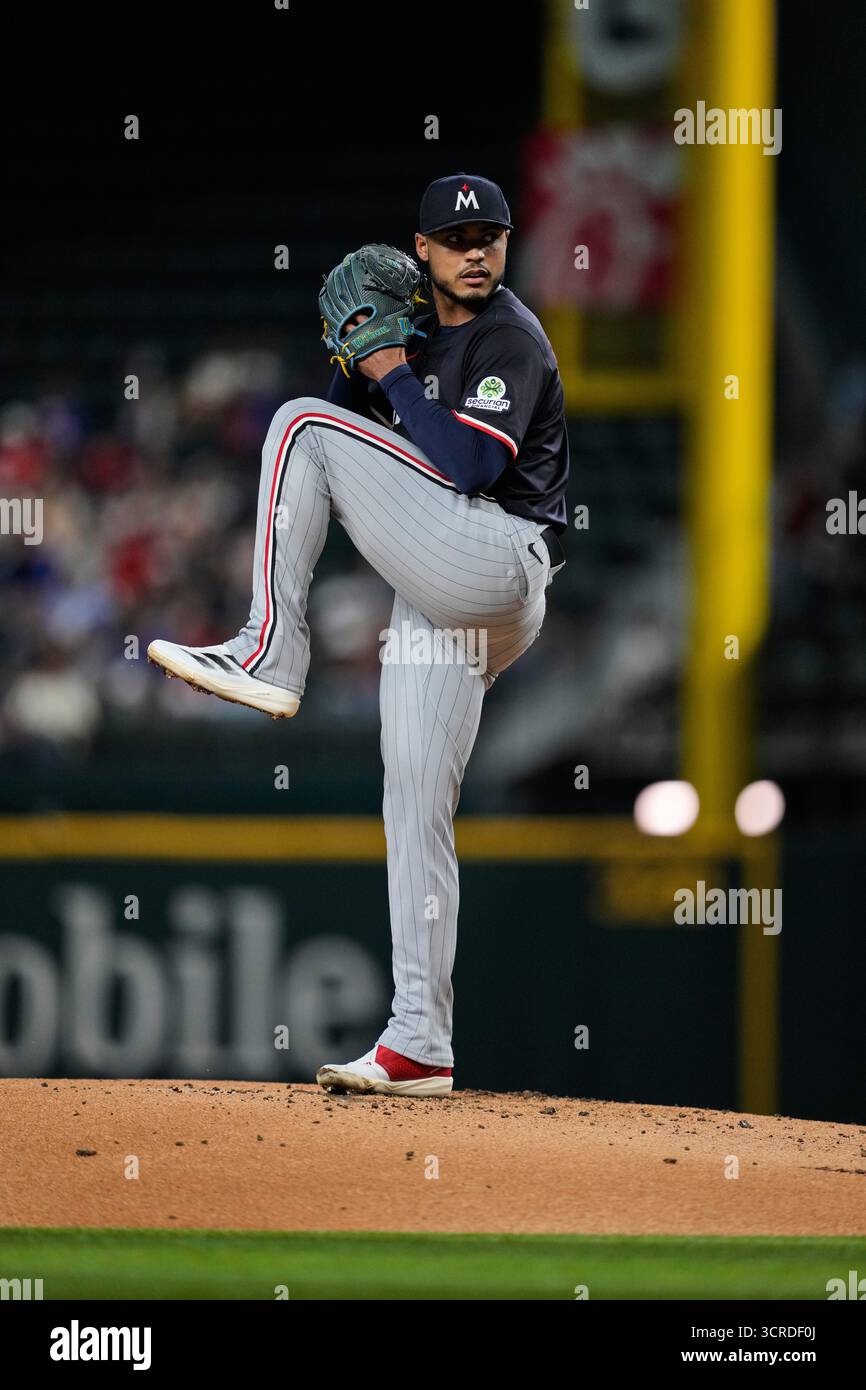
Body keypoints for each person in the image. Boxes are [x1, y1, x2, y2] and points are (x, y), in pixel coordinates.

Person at [148, 173, 569, 1096]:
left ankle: (268, 647)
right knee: (413, 795)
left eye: (490, 236)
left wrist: (384, 373)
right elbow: (355, 422)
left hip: (499, 560)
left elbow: (462, 462)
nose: (475, 251)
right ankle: (420, 1041)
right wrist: (359, 355)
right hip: (443, 591)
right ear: (422, 250)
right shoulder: (420, 332)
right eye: (455, 238)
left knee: (295, 425)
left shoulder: (510, 337)